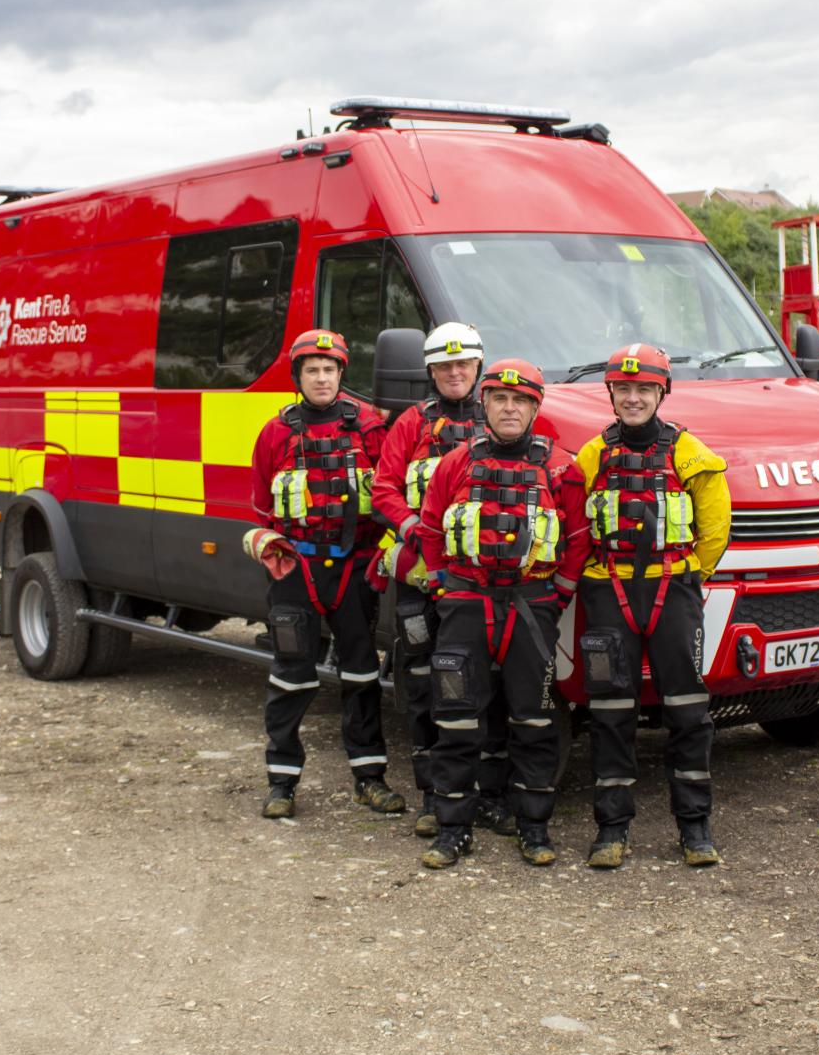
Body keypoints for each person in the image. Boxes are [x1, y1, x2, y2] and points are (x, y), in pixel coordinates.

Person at [564, 343, 731, 868]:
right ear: (610, 393)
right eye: (624, 389)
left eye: (644, 389)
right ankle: (611, 830)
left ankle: (696, 829)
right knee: (610, 709)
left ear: (662, 392)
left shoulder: (689, 453)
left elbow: (715, 524)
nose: (633, 398)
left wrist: (688, 575)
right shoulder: (592, 456)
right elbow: (574, 524)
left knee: (687, 708)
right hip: (607, 590)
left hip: (671, 589)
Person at [416, 359, 578, 870]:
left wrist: (558, 596)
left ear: (535, 407)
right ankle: (452, 829)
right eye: (501, 399)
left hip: (531, 604)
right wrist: (447, 587)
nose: (511, 408)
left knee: (533, 720)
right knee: (457, 718)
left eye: (521, 400)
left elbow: (576, 540)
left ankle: (533, 826)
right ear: (484, 404)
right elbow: (429, 529)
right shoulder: (456, 463)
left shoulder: (561, 468)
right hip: (467, 602)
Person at [243, 328, 404, 820]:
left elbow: (386, 496)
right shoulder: (275, 433)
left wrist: (382, 554)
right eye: (311, 370)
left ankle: (370, 779)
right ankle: (281, 784)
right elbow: (260, 509)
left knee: (361, 676)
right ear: (298, 377)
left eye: (329, 370)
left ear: (341, 375)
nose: (320, 378)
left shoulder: (369, 430)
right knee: (291, 678)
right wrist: (267, 545)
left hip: (353, 570)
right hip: (297, 571)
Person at [370, 322, 513, 839]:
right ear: (430, 371)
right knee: (425, 682)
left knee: (490, 683)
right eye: (445, 366)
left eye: (464, 364)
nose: (455, 373)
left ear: (478, 367)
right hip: (420, 572)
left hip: (480, 577)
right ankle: (435, 795)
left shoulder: (500, 415)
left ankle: (491, 795)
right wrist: (414, 530)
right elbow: (384, 486)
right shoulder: (409, 424)